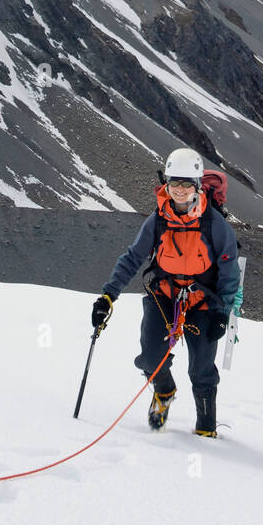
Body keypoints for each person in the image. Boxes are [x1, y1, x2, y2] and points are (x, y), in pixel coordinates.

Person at [91, 148, 241, 437]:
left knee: (201, 369)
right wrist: (108, 296)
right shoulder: (157, 220)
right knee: (150, 358)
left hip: (203, 301)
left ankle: (206, 429)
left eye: (187, 184)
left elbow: (228, 270)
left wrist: (223, 312)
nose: (180, 190)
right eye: (175, 183)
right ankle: (164, 391)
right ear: (166, 183)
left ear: (197, 185)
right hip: (165, 295)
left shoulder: (214, 223)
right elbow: (133, 258)